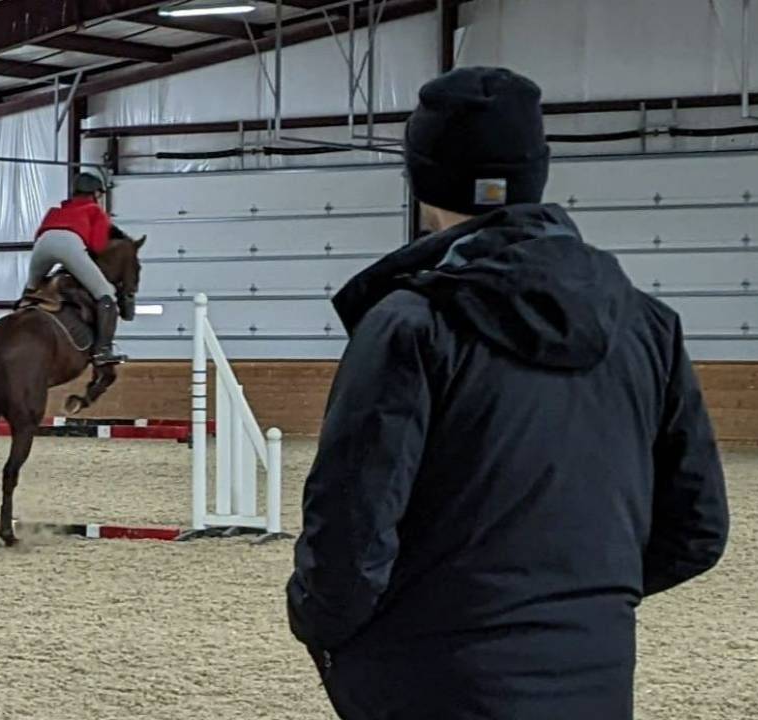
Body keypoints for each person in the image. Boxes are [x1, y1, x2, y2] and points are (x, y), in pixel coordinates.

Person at [285, 66, 729, 720]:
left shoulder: (410, 327)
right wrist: (582, 605)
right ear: (536, 174)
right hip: (596, 681)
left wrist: (321, 625)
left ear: (421, 179)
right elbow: (697, 529)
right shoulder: (649, 326)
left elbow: (350, 533)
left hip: (432, 680)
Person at [26, 171, 126, 366]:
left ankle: (17, 316)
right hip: (70, 245)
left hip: (42, 245)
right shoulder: (95, 211)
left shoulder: (54, 211)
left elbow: (39, 235)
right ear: (95, 193)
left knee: (31, 290)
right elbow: (97, 246)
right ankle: (102, 351)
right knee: (107, 294)